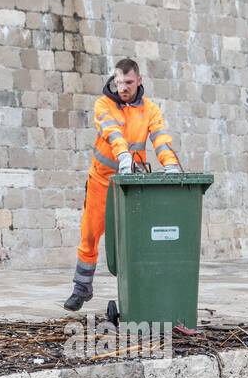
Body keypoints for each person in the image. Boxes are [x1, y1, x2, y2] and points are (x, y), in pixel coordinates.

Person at [63, 58, 181, 311]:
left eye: (128, 82)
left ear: (139, 81)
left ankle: (143, 288)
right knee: (90, 235)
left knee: (139, 239)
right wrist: (123, 155)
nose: (123, 88)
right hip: (101, 182)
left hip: (133, 184)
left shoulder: (149, 109)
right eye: (119, 83)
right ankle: (81, 289)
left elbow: (160, 136)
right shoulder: (103, 104)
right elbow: (112, 132)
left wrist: (170, 163)